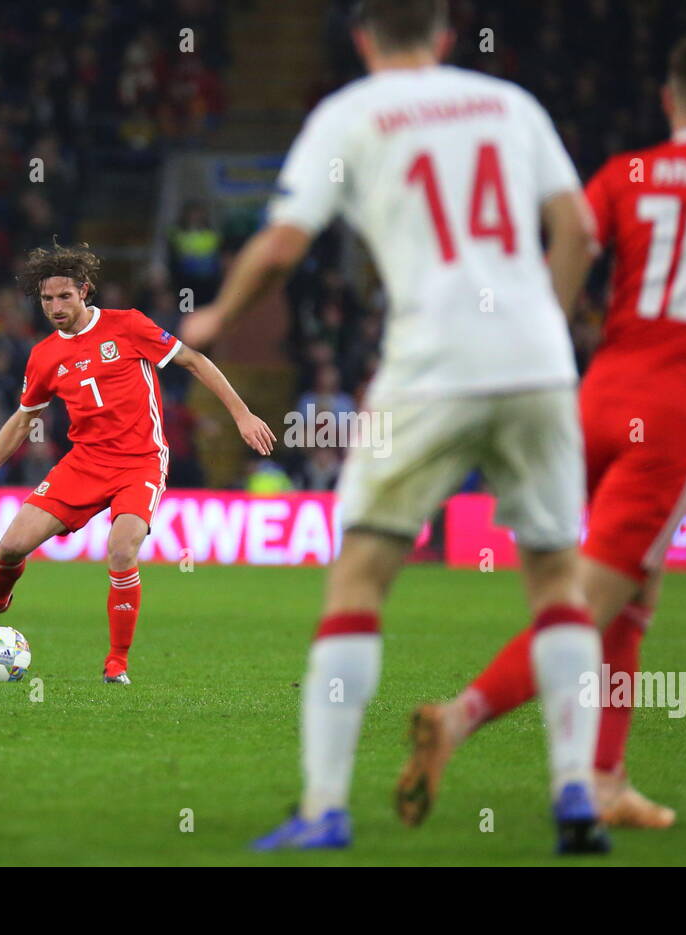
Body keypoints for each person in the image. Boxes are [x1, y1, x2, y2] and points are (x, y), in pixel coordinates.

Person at [181, 0, 605, 853]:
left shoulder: (350, 114)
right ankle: (574, 799)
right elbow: (581, 232)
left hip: (431, 368)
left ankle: (324, 810)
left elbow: (282, 245)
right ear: (446, 39)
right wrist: (546, 328)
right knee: (558, 581)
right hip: (537, 366)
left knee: (361, 579)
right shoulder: (510, 104)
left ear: (363, 39)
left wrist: (217, 316)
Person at [395, 28, 686, 830]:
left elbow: (569, 246)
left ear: (669, 101)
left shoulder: (626, 174)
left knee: (633, 596)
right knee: (589, 603)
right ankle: (457, 718)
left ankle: (606, 781)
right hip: (676, 419)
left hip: (592, 399)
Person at [0, 242, 274, 684]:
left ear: (85, 292)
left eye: (64, 297)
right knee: (10, 547)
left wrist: (241, 413)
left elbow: (192, 360)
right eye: (46, 299)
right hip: (84, 464)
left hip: (141, 462)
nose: (55, 307)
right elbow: (22, 422)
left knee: (121, 549)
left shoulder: (129, 326)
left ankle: (117, 662)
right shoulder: (44, 356)